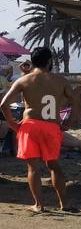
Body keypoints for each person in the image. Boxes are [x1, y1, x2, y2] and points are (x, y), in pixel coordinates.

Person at [0, 47, 76, 212]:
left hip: (31, 126)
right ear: (50, 61)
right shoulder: (61, 81)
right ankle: (64, 204)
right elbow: (75, 102)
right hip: (51, 127)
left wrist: (12, 123)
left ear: (32, 62)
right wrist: (69, 122)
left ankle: (39, 205)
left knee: (33, 167)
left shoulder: (24, 80)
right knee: (54, 166)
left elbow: (3, 105)